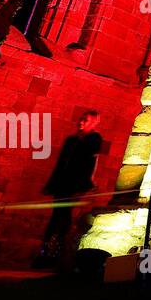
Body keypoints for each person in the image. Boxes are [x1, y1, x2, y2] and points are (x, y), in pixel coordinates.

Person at [33, 110, 103, 269]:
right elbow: (61, 163)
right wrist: (51, 184)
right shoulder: (71, 140)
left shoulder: (94, 139)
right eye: (81, 118)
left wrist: (89, 182)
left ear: (93, 122)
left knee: (64, 217)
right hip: (62, 184)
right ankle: (45, 254)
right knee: (56, 217)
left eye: (85, 120)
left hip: (76, 184)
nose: (81, 122)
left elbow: (92, 161)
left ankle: (56, 254)